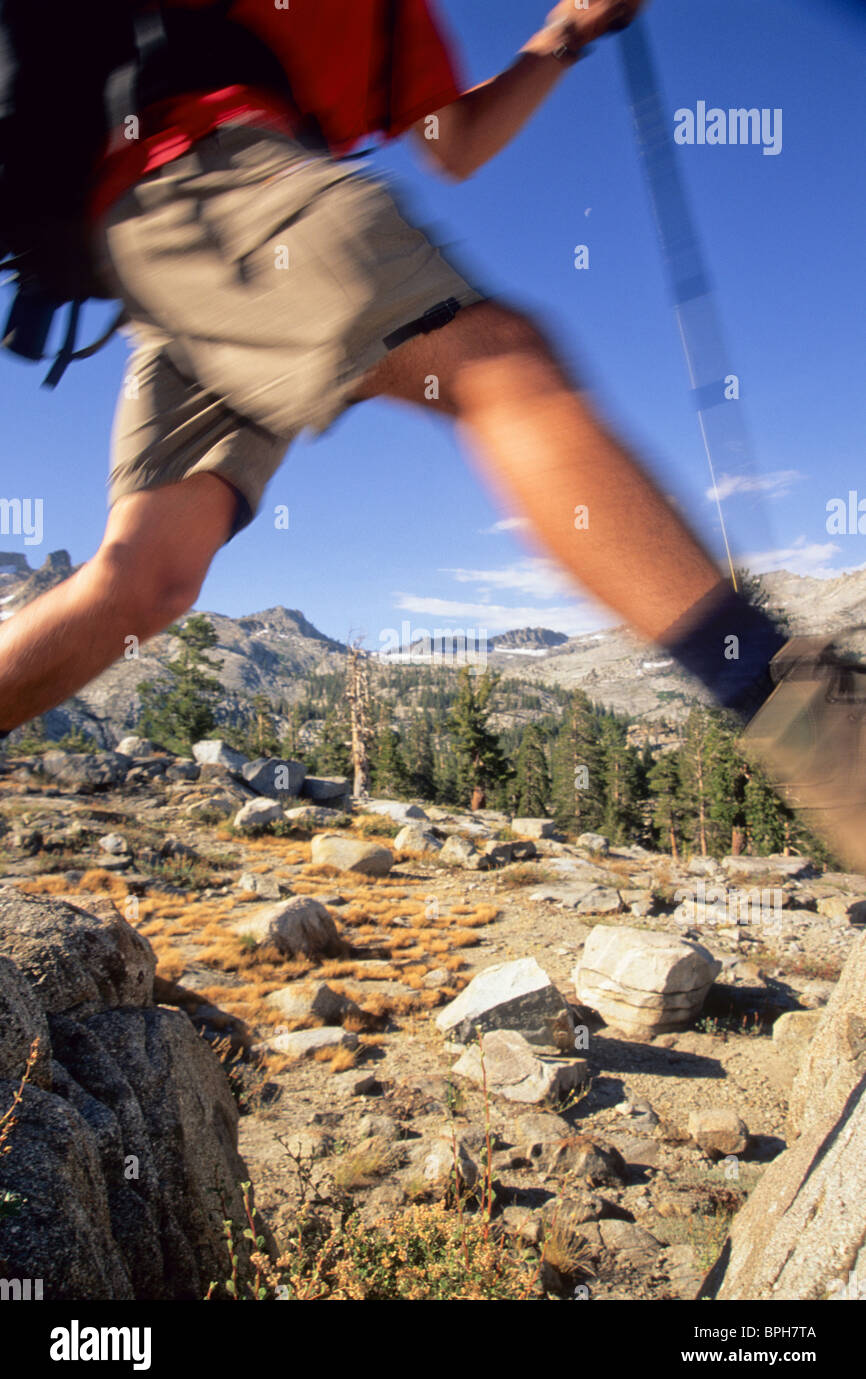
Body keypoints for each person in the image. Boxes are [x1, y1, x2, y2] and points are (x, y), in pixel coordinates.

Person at [0, 0, 862, 870]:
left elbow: (452, 139)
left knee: (143, 580)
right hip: (218, 172)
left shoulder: (397, 19)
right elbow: (452, 152)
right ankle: (801, 709)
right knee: (495, 360)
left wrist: (565, 33)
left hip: (170, 248)